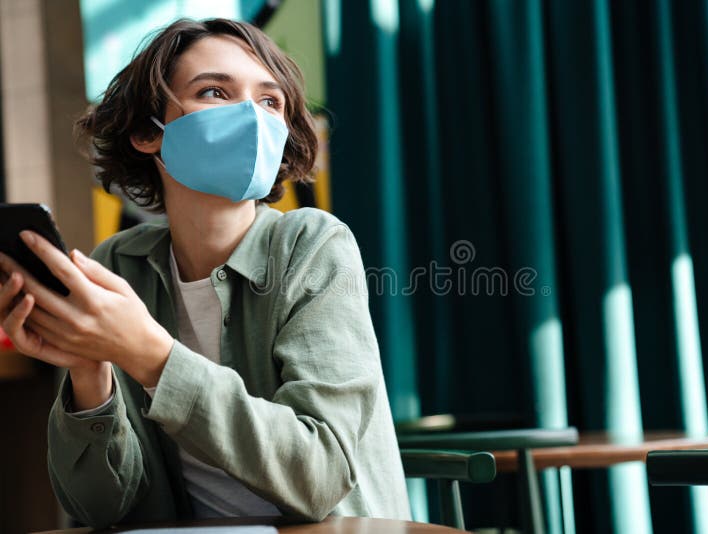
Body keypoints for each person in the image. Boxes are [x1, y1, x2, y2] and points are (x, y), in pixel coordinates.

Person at [0, 18, 410, 529]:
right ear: (149, 131)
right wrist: (91, 369)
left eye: (270, 101)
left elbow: (319, 476)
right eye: (215, 90)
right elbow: (100, 509)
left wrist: (151, 355)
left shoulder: (315, 245)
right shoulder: (118, 265)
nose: (250, 116)